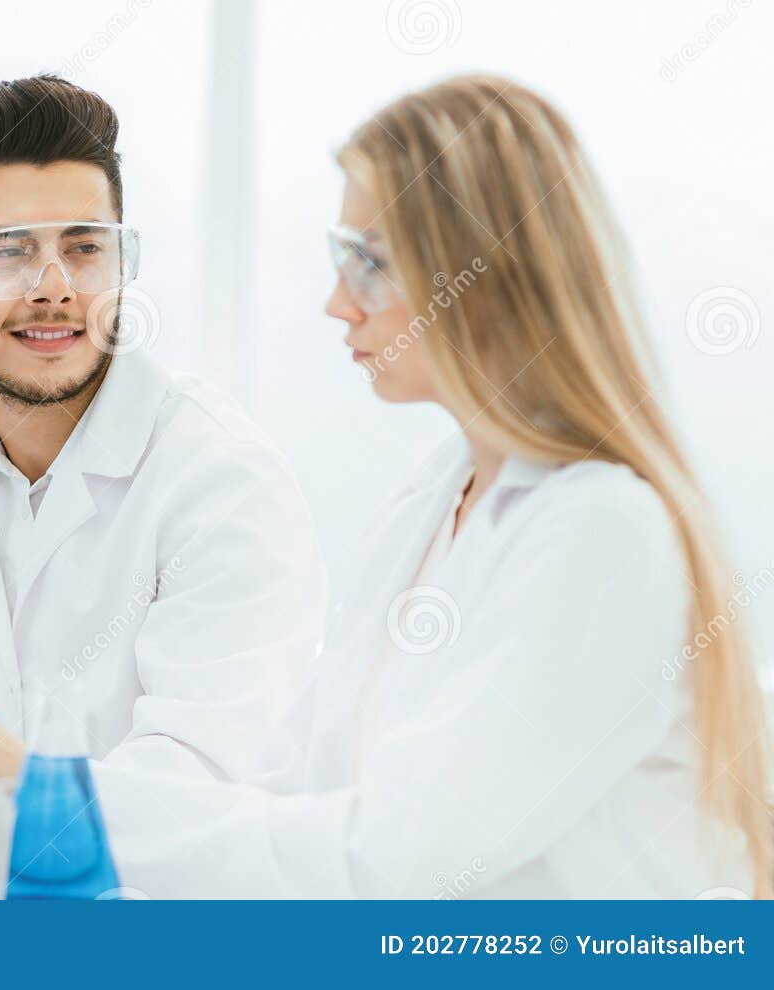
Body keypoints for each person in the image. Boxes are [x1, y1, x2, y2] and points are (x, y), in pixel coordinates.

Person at [88, 76, 773, 897]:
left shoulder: (604, 533)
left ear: (481, 277)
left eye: (370, 263)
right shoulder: (433, 497)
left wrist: (66, 819)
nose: (339, 303)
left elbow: (389, 860)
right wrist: (54, 800)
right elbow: (293, 778)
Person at [0, 76, 327, 784]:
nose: (54, 287)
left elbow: (194, 792)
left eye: (85, 247)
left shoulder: (222, 480)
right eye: (7, 251)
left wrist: (0, 775)